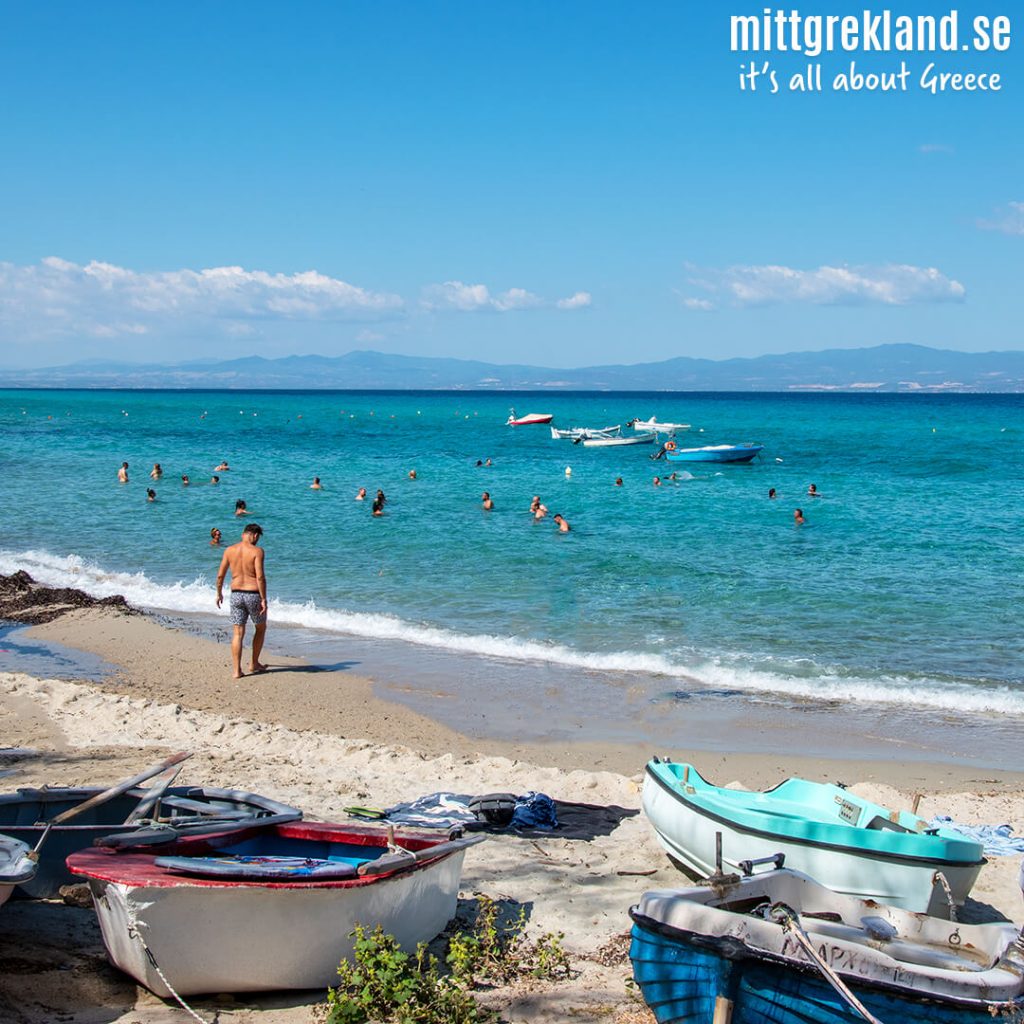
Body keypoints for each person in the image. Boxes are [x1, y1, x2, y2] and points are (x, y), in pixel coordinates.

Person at [215, 523, 268, 679]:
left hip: (236, 594)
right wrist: (263, 599)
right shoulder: (257, 551)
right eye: (258, 538)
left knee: (238, 633)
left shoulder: (229, 550)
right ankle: (254, 663)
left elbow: (220, 576)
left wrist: (219, 593)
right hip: (253, 594)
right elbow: (260, 577)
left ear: (243, 534)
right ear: (255, 535)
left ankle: (236, 671)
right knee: (260, 628)